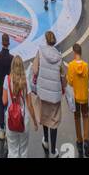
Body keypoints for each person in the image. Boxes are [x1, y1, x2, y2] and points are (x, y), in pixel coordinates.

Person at [30, 30, 67, 158]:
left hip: (43, 92)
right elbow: (63, 75)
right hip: (55, 95)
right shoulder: (59, 56)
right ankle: (53, 151)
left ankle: (45, 140)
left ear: (46, 40)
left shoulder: (40, 52)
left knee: (44, 117)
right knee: (54, 121)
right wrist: (64, 87)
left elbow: (34, 70)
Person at [2, 53, 33, 158]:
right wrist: (35, 121)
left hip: (11, 118)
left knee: (12, 150)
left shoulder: (7, 79)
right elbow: (29, 104)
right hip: (24, 119)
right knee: (23, 150)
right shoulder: (26, 82)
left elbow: (4, 101)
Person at [66, 42, 89, 157]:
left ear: (74, 52)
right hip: (84, 96)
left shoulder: (71, 65)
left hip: (75, 96)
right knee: (86, 116)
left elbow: (70, 81)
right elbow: (87, 79)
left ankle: (79, 139)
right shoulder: (86, 66)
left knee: (77, 117)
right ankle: (86, 140)